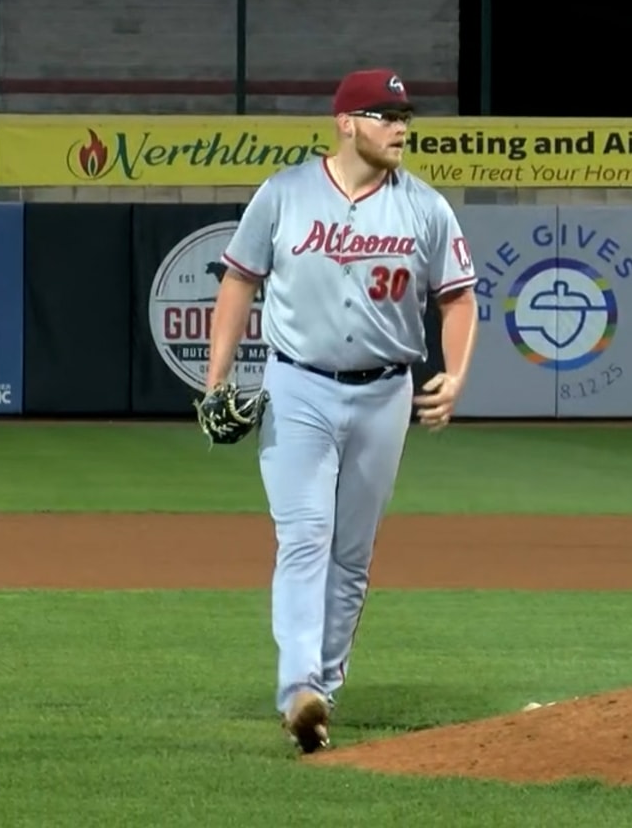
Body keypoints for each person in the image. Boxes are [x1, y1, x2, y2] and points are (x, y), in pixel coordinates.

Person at [201, 68, 479, 752]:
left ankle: (321, 690)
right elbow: (239, 280)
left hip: (386, 391)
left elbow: (459, 297)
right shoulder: (285, 194)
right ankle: (298, 685)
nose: (400, 126)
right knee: (304, 537)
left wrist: (457, 374)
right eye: (385, 114)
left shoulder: (425, 207)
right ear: (347, 123)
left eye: (405, 114)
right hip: (298, 388)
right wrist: (214, 382)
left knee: (350, 554)